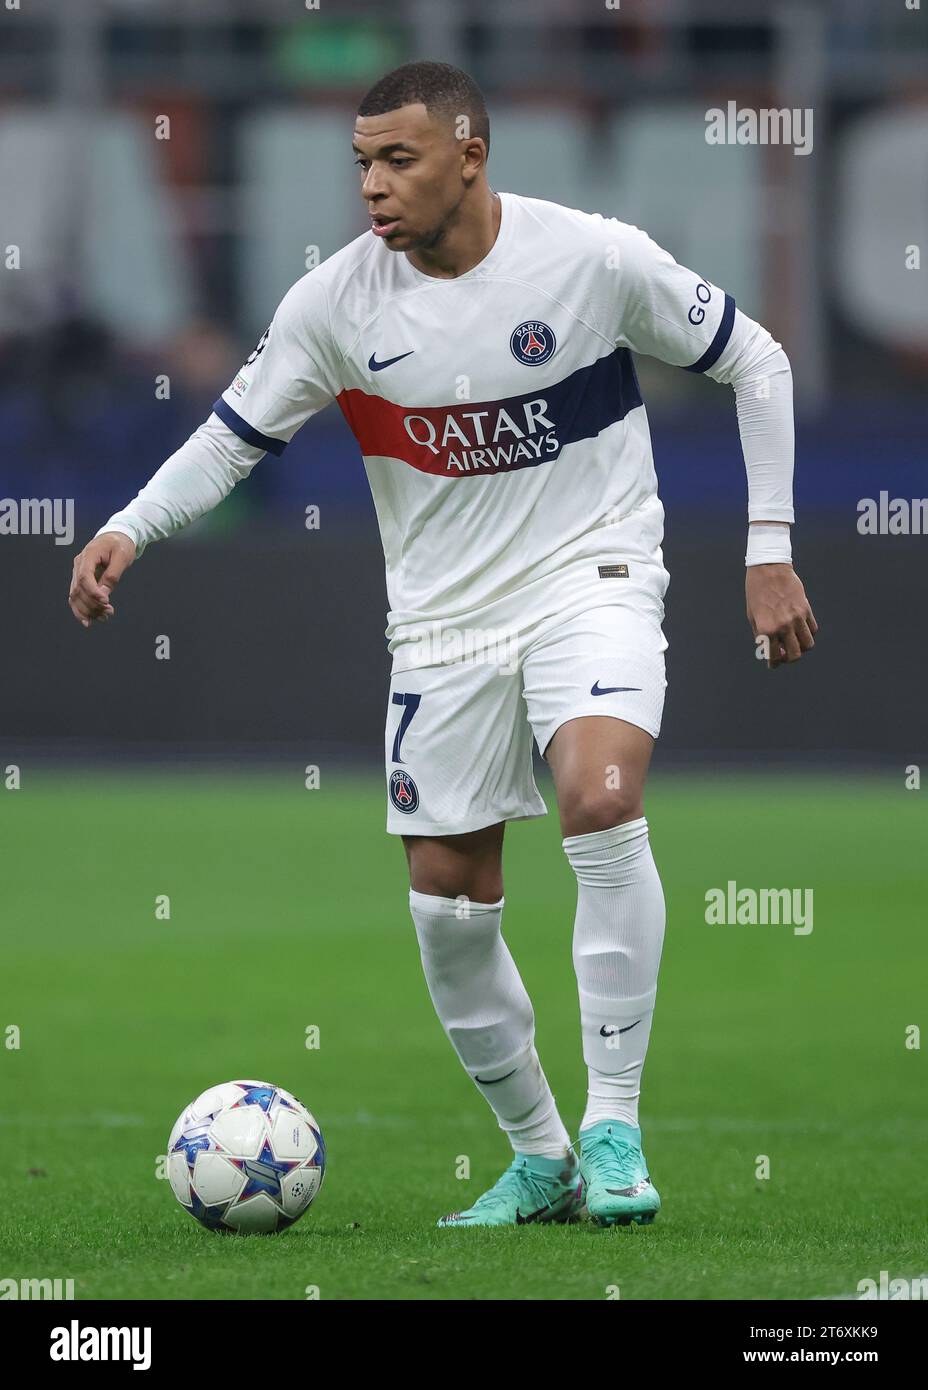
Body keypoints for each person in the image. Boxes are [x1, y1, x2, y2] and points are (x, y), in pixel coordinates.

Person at [68, 60, 818, 1229]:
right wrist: (128, 525)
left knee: (601, 797)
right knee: (446, 905)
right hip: (441, 623)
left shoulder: (591, 257)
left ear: (471, 154)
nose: (372, 184)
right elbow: (230, 438)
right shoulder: (336, 305)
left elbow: (756, 358)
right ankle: (543, 1157)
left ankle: (615, 1127)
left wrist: (766, 545)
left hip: (595, 575)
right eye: (361, 162)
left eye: (398, 159)